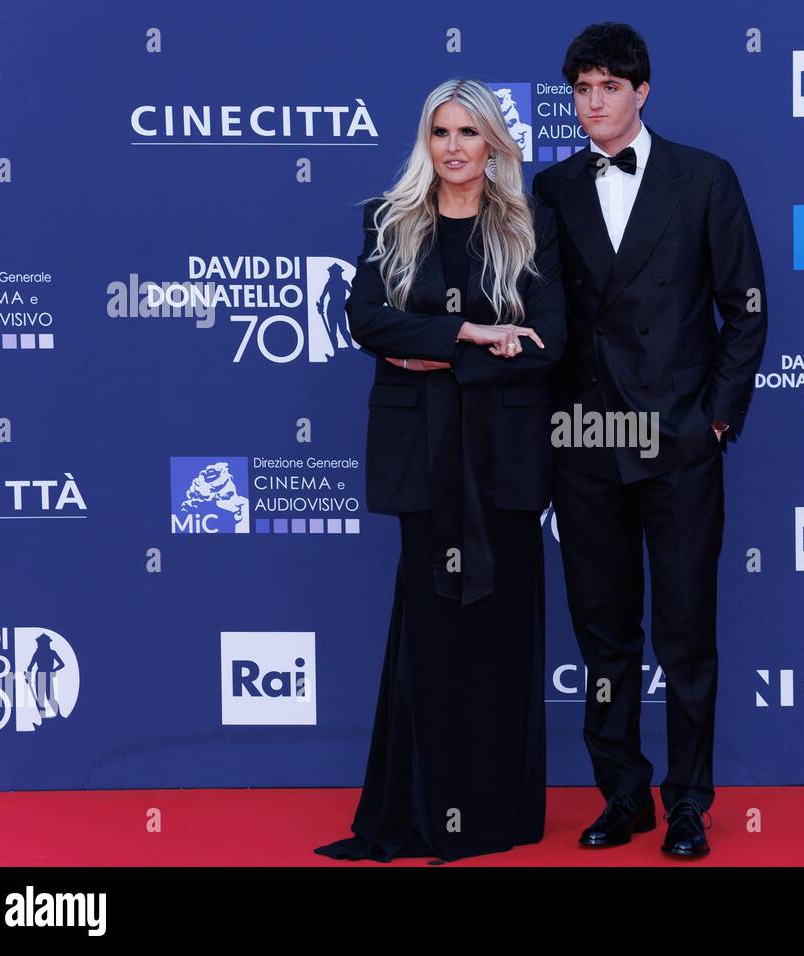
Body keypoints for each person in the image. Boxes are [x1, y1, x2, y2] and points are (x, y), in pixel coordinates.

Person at [314, 77, 566, 863]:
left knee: (502, 631)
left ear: (495, 141)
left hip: (506, 456)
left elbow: (547, 341)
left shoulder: (532, 224)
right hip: (422, 454)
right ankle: (421, 808)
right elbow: (366, 320)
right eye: (439, 132)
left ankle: (498, 812)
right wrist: (472, 331)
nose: (454, 147)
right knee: (430, 631)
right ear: (425, 142)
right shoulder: (388, 222)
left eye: (468, 132)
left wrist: (439, 350)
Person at [533, 22, 768, 858]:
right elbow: (539, 312)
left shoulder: (704, 179)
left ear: (642, 92)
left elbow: (745, 309)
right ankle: (623, 794)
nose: (593, 102)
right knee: (603, 633)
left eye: (608, 87)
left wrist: (714, 419)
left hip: (677, 442)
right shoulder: (549, 188)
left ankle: (691, 803)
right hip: (586, 441)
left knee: (686, 631)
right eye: (581, 89)